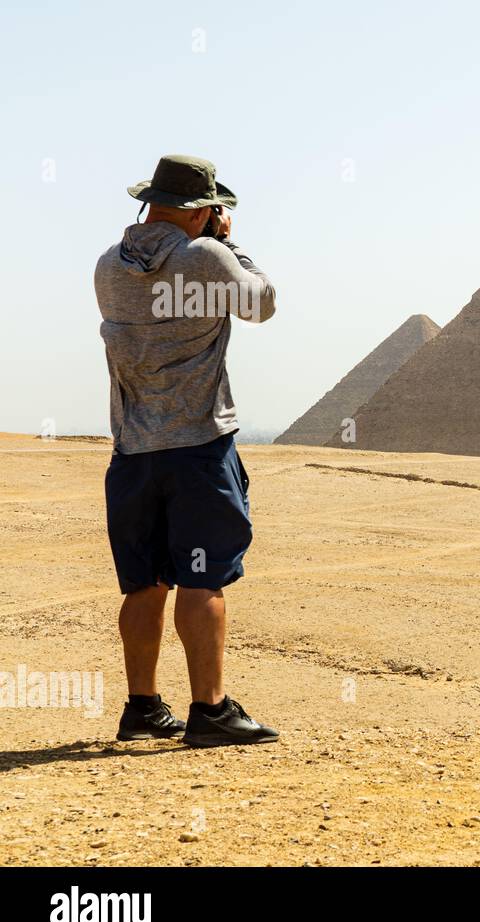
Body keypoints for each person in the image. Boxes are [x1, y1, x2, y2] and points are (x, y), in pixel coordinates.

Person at [94, 154, 279, 747]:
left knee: (144, 583)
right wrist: (234, 247)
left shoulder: (107, 266)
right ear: (205, 210)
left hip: (132, 451)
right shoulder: (207, 256)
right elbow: (262, 304)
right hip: (197, 448)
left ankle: (142, 706)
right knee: (204, 581)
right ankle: (212, 710)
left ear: (149, 202)